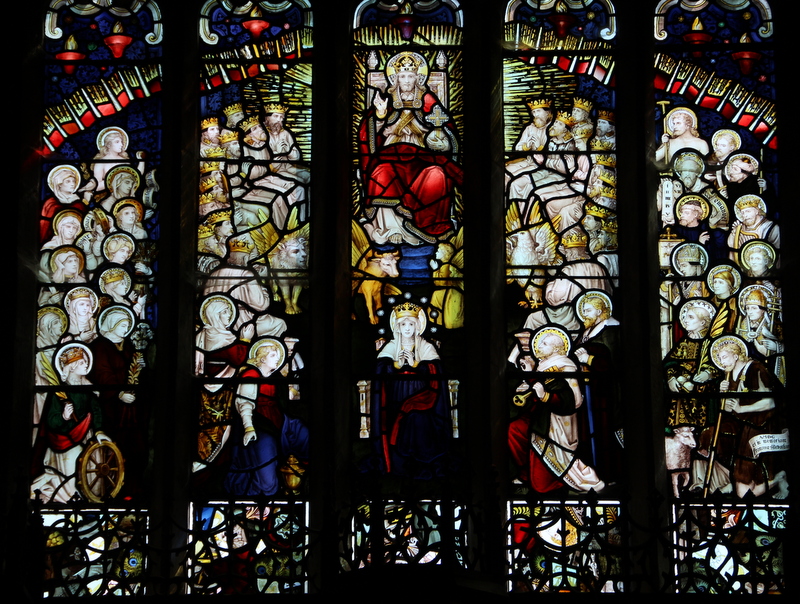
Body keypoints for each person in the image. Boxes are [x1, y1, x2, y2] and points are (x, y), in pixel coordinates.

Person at [358, 51, 464, 245]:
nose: (406, 80)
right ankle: (390, 228)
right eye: (402, 75)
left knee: (437, 174)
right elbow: (369, 132)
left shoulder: (428, 100)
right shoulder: (385, 100)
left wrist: (441, 139)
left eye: (410, 75)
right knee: (382, 172)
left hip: (424, 154)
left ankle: (423, 225)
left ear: (418, 77)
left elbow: (446, 130)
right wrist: (380, 117)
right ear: (395, 78)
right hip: (391, 153)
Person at [508, 327, 604, 493]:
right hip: (540, 416)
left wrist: (545, 396)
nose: (538, 346)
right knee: (514, 429)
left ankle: (556, 480)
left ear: (556, 349)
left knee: (540, 485)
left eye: (544, 344)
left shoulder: (565, 366)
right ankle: (525, 472)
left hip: (557, 423)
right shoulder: (544, 365)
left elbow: (571, 401)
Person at [695, 336, 787, 498]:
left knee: (743, 493)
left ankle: (776, 478)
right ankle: (731, 474)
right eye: (719, 358)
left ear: (736, 356)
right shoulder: (729, 375)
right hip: (741, 422)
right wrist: (723, 393)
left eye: (724, 357)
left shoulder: (756, 368)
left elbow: (770, 403)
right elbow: (728, 409)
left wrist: (741, 408)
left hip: (762, 424)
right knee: (709, 434)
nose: (721, 362)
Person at [371, 302, 451, 477]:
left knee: (416, 418)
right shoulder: (391, 347)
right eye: (403, 324)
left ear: (418, 326)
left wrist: (416, 364)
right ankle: (399, 462)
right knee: (400, 418)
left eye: (411, 324)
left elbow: (435, 370)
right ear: (397, 327)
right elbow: (381, 369)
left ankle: (422, 460)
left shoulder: (427, 347)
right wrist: (395, 365)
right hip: (395, 396)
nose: (407, 328)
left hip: (423, 398)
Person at [225, 338, 309, 496]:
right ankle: (260, 498)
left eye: (278, 354)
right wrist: (249, 428)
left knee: (303, 433)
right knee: (267, 481)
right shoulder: (250, 375)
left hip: (279, 421)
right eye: (273, 354)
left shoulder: (273, 376)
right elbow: (245, 404)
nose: (278, 357)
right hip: (259, 425)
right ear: (262, 358)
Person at [31, 344, 109, 503]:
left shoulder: (88, 391)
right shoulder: (58, 393)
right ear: (71, 367)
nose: (86, 365)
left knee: (95, 460)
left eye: (86, 362)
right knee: (75, 460)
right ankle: (69, 498)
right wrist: (64, 417)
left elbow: (96, 411)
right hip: (62, 441)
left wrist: (99, 431)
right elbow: (51, 420)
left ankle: (90, 499)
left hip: (85, 437)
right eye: (82, 362)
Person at [202, 238, 287, 337]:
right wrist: (264, 291)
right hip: (243, 320)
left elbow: (205, 299)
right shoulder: (247, 274)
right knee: (279, 324)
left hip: (217, 322)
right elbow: (261, 305)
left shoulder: (215, 274)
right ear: (244, 259)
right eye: (247, 257)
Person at [727, 194, 779, 264]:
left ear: (757, 211)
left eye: (748, 211)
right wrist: (734, 233)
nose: (745, 215)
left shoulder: (770, 227)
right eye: (742, 213)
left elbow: (777, 253)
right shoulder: (740, 228)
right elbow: (732, 247)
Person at [40, 165, 86, 244]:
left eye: (74, 181)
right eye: (68, 181)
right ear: (59, 184)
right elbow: (44, 226)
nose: (72, 184)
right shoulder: (50, 203)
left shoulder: (80, 204)